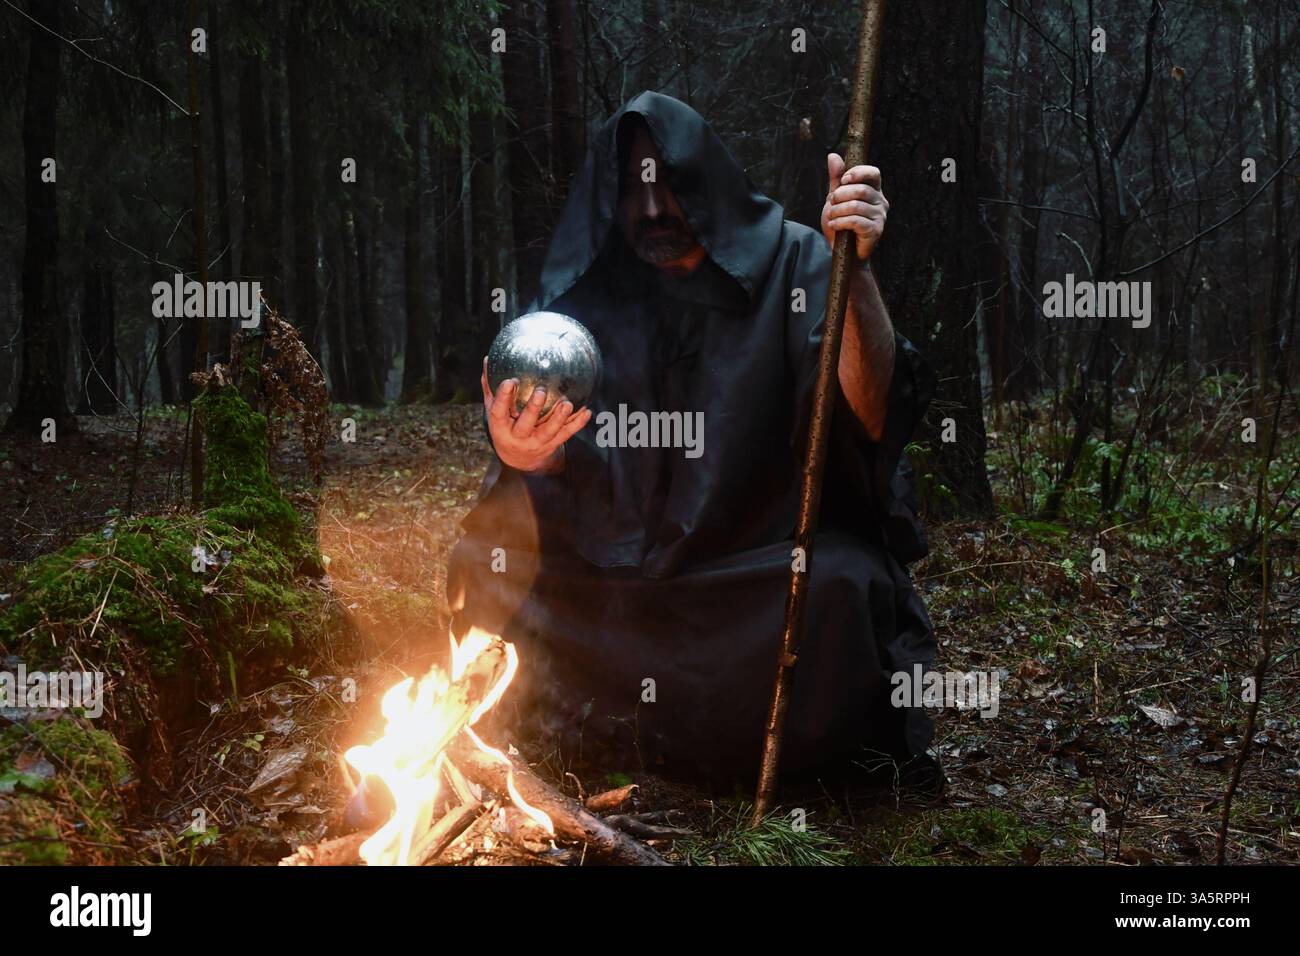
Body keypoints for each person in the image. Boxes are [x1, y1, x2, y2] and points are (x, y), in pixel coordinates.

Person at [447, 91, 939, 789]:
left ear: (709, 181)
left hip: (745, 591)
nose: (652, 211)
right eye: (633, 192)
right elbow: (561, 474)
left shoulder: (801, 262)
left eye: (669, 185)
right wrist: (529, 455)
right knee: (482, 564)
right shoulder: (591, 291)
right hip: (617, 594)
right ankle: (559, 747)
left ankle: (713, 749)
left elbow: (872, 412)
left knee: (842, 585)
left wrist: (852, 272)